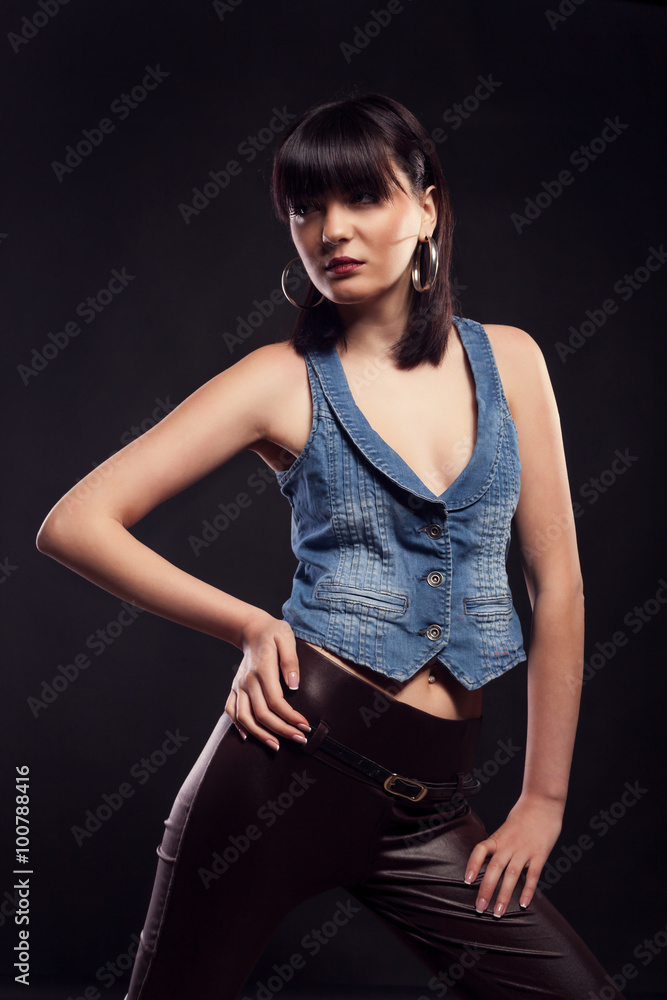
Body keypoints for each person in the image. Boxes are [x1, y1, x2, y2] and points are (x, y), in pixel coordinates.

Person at [36, 93, 625, 999]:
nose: (330, 230)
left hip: (431, 811)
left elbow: (559, 584)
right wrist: (248, 626)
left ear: (425, 208)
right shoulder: (278, 381)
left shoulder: (511, 361)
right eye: (306, 208)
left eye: (362, 197)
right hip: (282, 772)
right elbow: (75, 523)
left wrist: (543, 799)